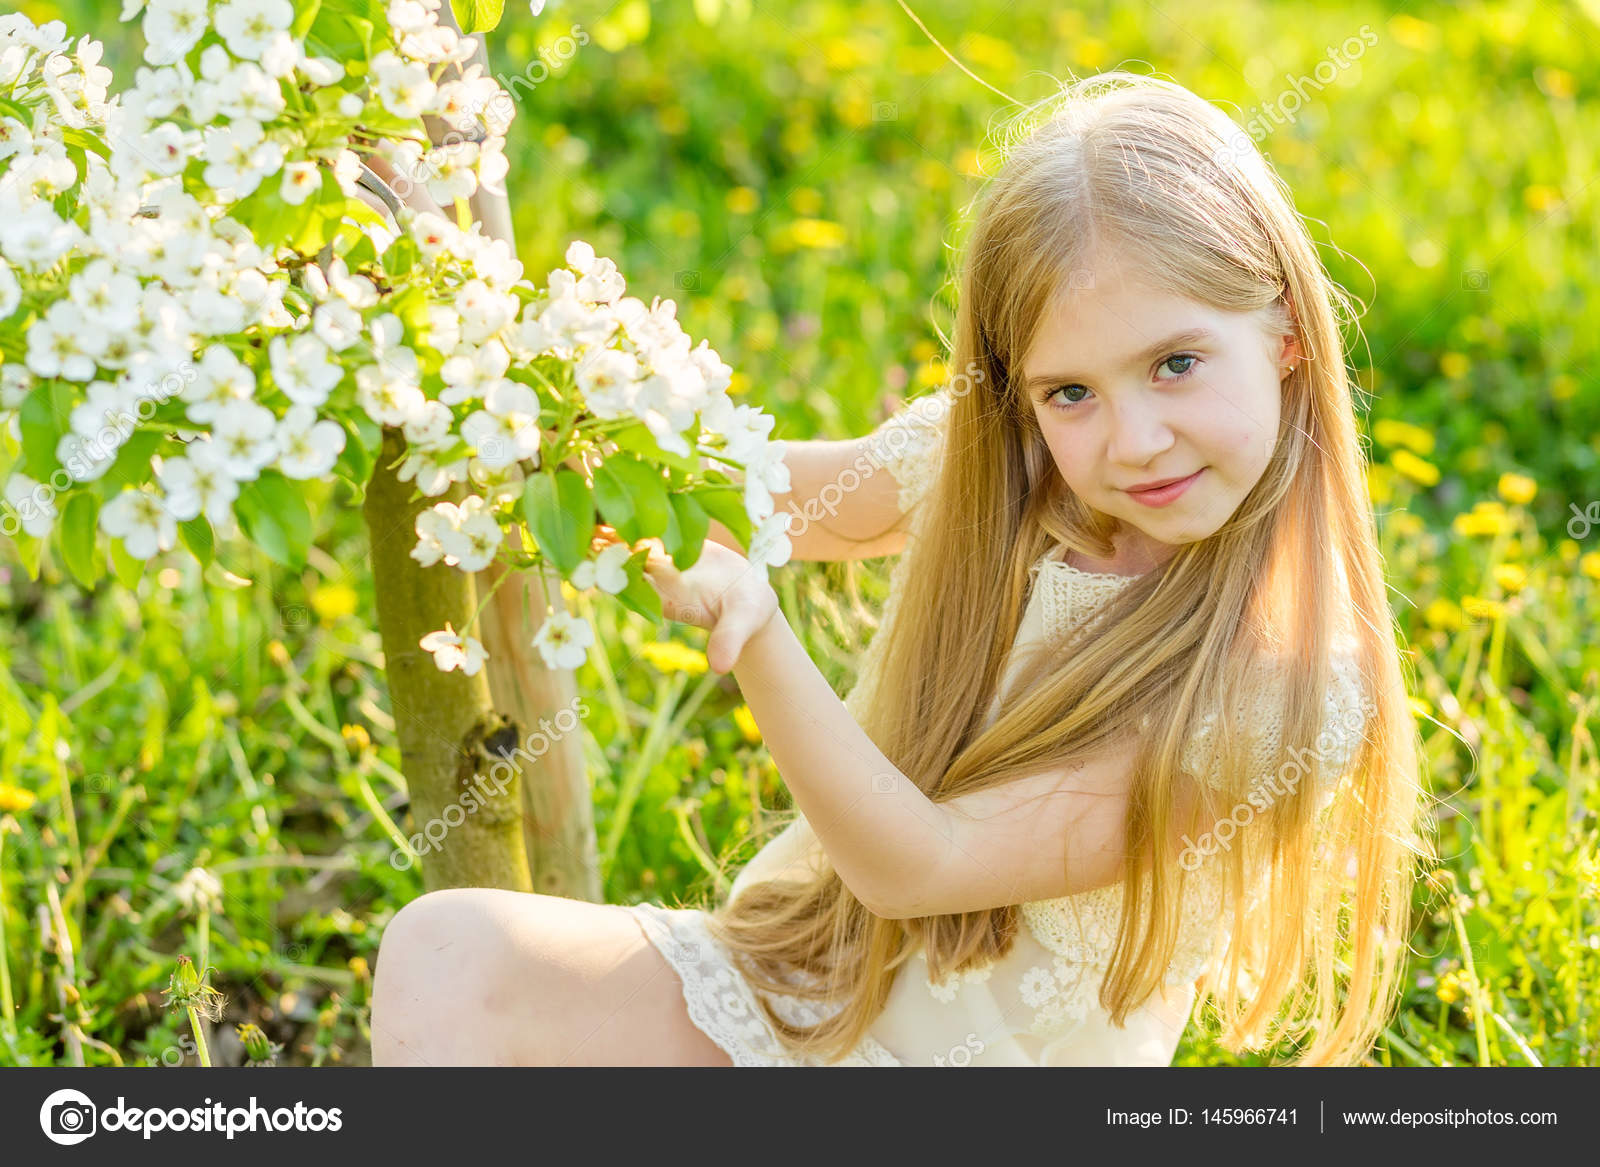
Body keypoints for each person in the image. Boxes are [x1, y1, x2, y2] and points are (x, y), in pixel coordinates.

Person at [369, 71, 1433, 1067]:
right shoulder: (1002, 476)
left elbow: (917, 867)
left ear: (1286, 333)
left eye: (1175, 364)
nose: (1135, 440)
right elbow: (733, 491)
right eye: (1070, 392)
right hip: (813, 998)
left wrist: (755, 627)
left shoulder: (1285, 687)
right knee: (447, 951)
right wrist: (492, 376)